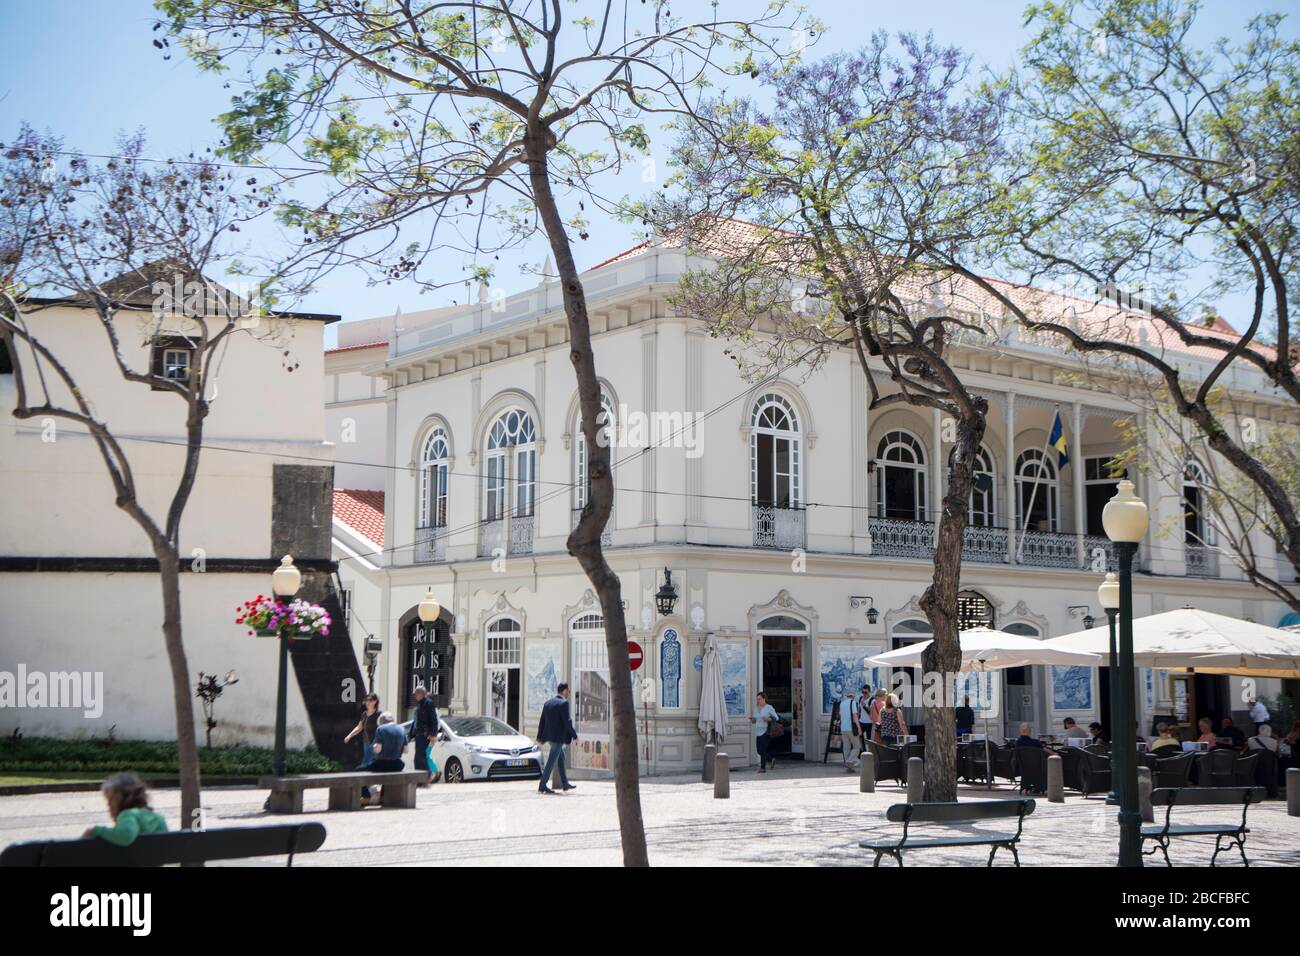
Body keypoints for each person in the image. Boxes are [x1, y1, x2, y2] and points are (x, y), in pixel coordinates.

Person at [83, 773, 167, 845]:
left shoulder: (128, 815)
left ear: (120, 799)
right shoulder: (158, 817)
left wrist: (97, 830)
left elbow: (126, 836)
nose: (108, 804)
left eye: (110, 799)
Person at [536, 683, 578, 794]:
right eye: (568, 691)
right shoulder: (564, 703)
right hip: (558, 738)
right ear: (564, 691)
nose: (568, 693)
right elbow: (567, 722)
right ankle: (542, 785)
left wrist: (540, 737)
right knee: (551, 761)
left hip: (549, 737)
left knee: (560, 757)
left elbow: (542, 721)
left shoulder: (548, 703)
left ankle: (565, 784)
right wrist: (574, 735)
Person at [411, 684, 439, 785]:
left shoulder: (428, 703)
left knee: (421, 756)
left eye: (416, 693)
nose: (415, 695)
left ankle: (426, 776)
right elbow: (415, 721)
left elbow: (433, 719)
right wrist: (411, 734)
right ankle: (420, 778)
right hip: (419, 734)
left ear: (420, 694)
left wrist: (433, 734)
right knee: (418, 757)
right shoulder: (419, 704)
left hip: (425, 734)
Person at [750, 691, 779, 772]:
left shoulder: (768, 707)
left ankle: (763, 768)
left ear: (764, 699)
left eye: (759, 699)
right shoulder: (756, 708)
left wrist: (768, 719)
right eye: (757, 699)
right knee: (759, 751)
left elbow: (776, 718)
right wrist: (753, 720)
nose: (758, 701)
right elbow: (755, 721)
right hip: (758, 731)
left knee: (762, 749)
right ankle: (771, 759)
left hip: (766, 731)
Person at [838, 687, 861, 771]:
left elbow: (840, 715)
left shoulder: (842, 703)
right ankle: (849, 761)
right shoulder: (853, 703)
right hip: (851, 728)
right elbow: (855, 717)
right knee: (857, 746)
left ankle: (849, 766)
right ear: (853, 696)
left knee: (846, 747)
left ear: (847, 695)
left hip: (843, 728)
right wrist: (859, 728)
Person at [857, 684, 874, 751]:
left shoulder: (872, 700)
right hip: (861, 722)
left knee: (869, 739)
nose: (864, 694)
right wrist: (857, 719)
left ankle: (869, 753)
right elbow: (859, 710)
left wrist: (864, 706)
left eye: (865, 692)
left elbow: (870, 712)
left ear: (869, 691)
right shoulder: (860, 698)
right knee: (859, 737)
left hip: (869, 723)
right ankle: (863, 751)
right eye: (863, 692)